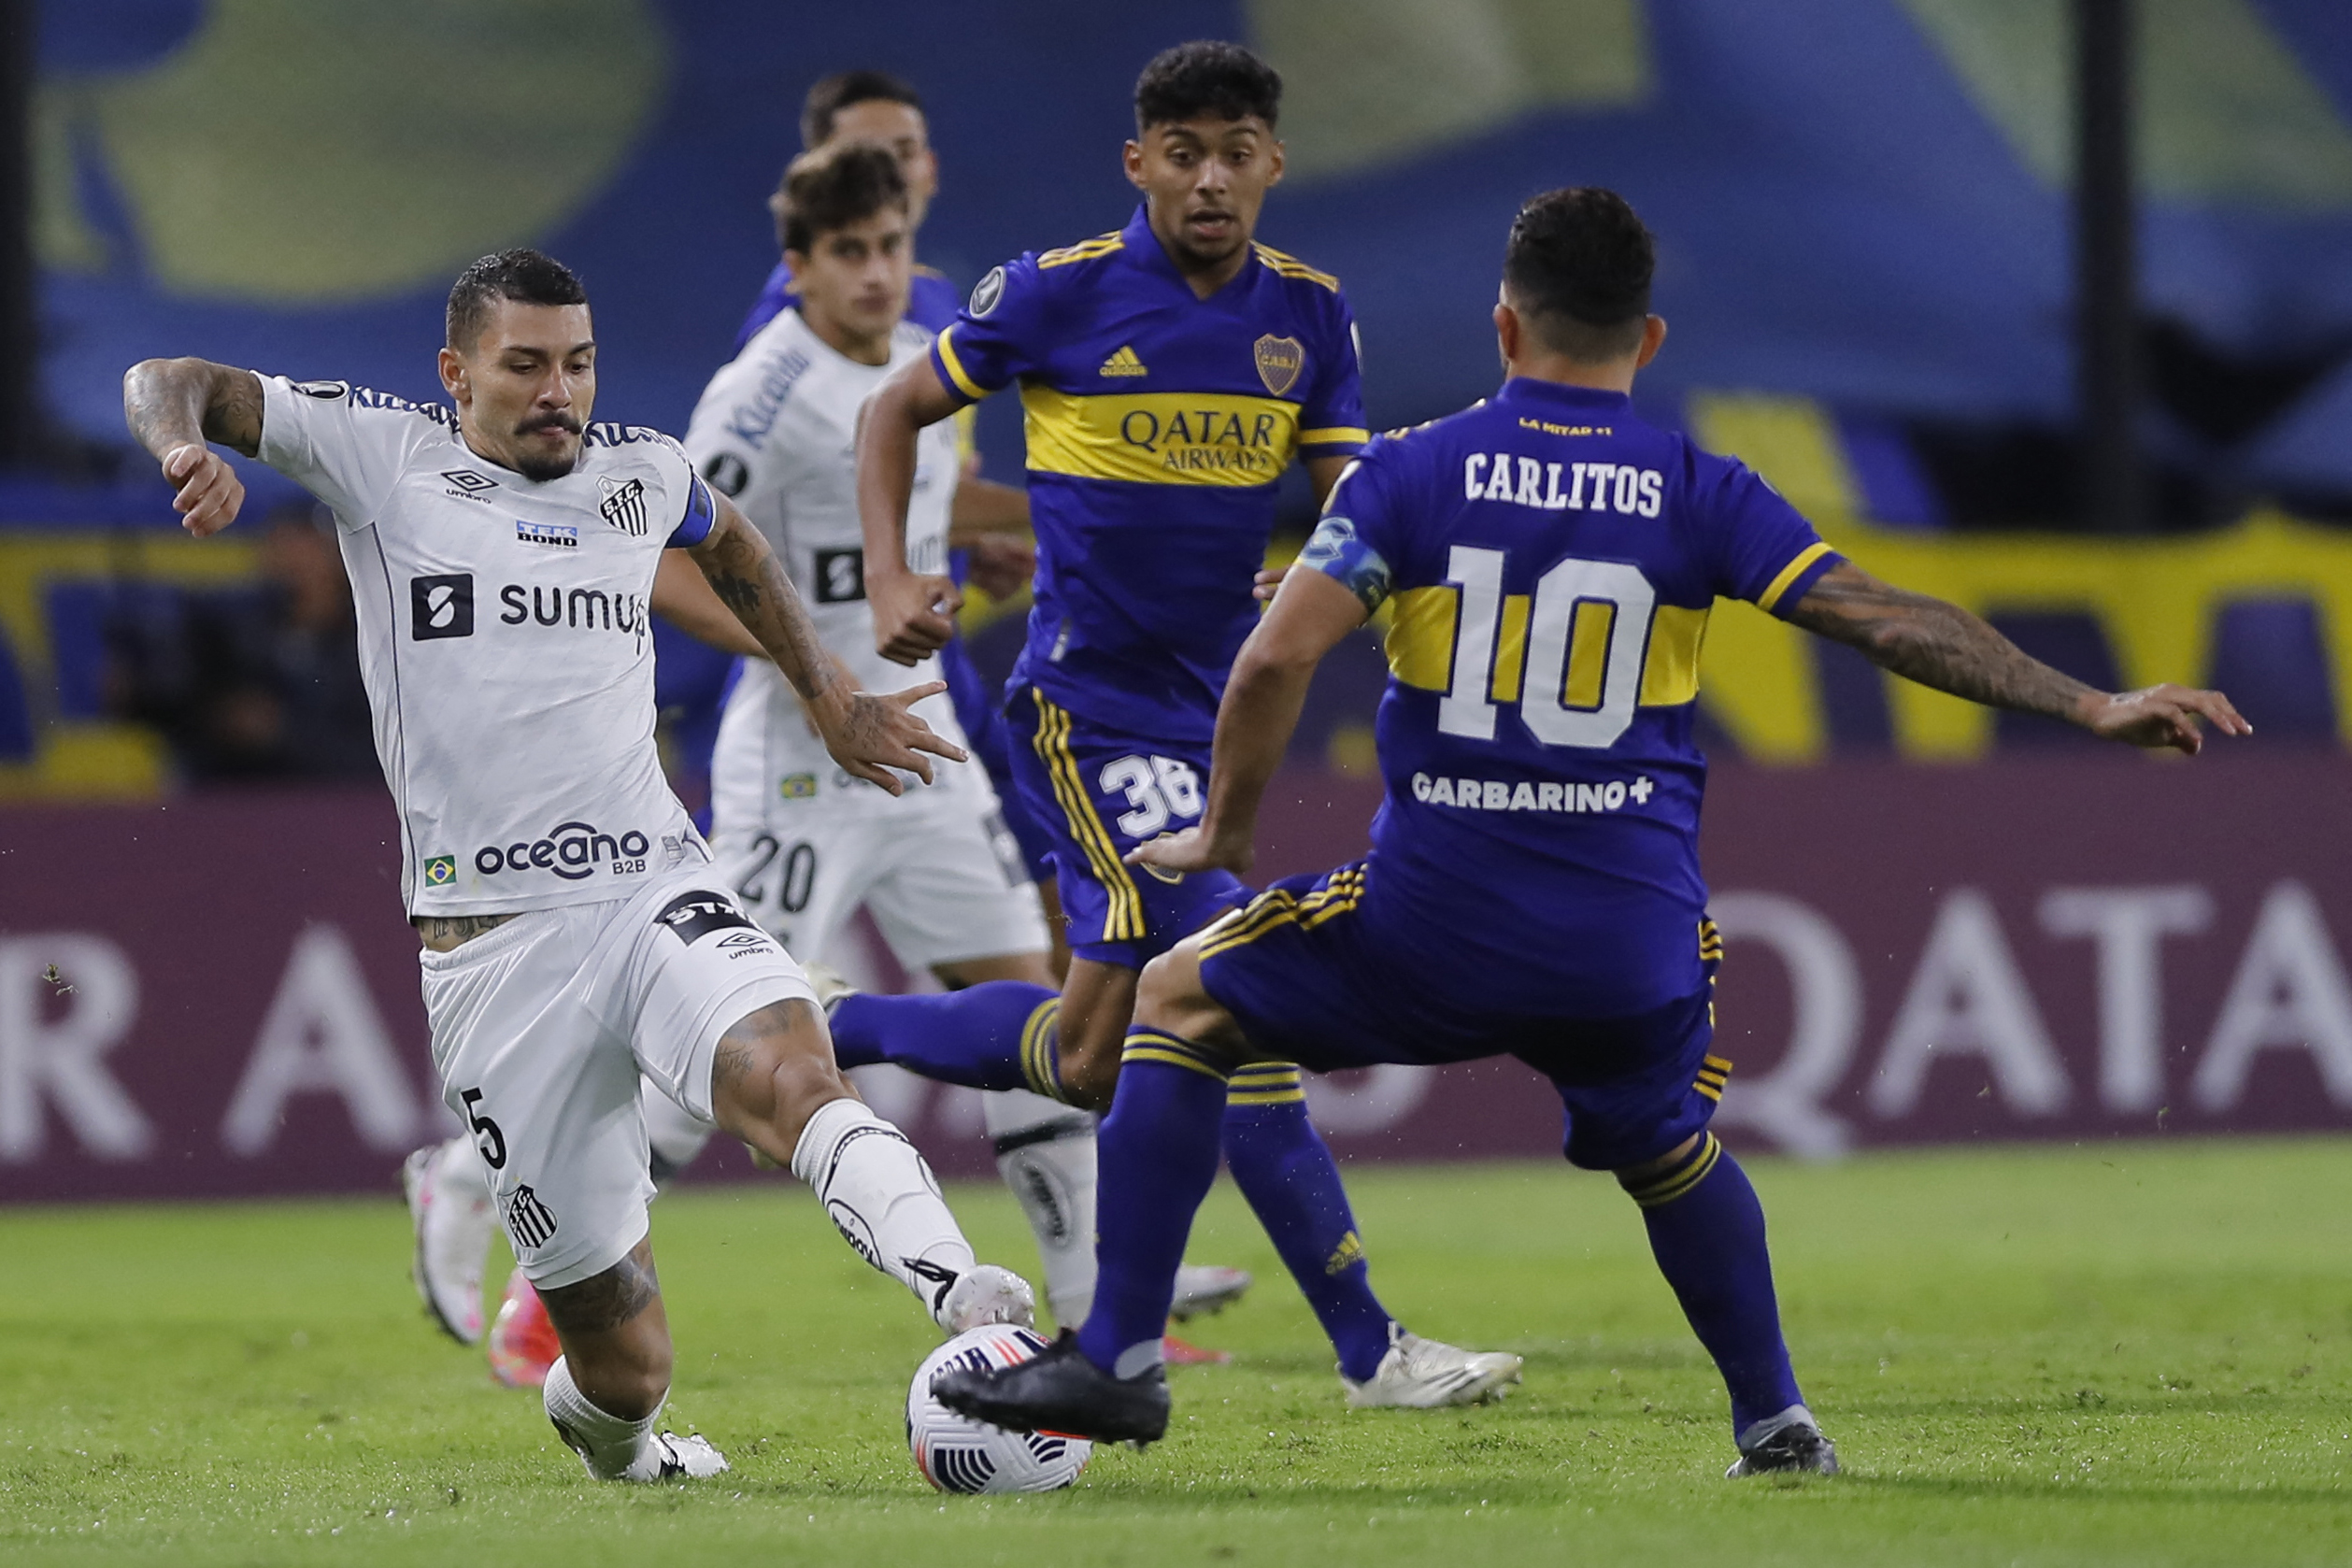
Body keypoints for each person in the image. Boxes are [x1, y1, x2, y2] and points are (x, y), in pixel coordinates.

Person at [929, 186, 2253, 1470]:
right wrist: (2090, 701)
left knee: (1179, 994)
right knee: (1667, 1146)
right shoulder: (1699, 486)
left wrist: (1227, 830)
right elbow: (1886, 620)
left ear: (1504, 325)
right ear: (1649, 338)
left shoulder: (1411, 471)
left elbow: (1275, 658)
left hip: (1430, 927)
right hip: (1629, 942)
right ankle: (1775, 1420)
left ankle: (1118, 1358)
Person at [121, 248, 1036, 1483]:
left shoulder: (639, 473)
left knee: (788, 1070)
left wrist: (827, 694)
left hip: (649, 885)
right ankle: (620, 1440)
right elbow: (165, 374)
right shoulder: (378, 456)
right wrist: (184, 446)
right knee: (623, 1365)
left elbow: (734, 541)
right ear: (457, 374)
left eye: (579, 362)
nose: (560, 391)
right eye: (526, 365)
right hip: (492, 953)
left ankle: (966, 1298)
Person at [401, 79, 1247, 1386]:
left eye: (890, 245)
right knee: (721, 1050)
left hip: (920, 745)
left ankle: (1092, 1323)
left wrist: (1006, 537)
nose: (875, 272)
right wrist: (809, 667)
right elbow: (660, 552)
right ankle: (521, 1266)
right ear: (798, 266)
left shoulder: (928, 349)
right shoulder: (760, 390)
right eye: (848, 251)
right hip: (799, 760)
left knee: (1042, 1011)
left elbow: (927, 494)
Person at [839, 39, 1521, 1407]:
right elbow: (893, 408)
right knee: (1230, 988)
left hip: (1209, 721)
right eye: (1185, 153)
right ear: (1139, 162)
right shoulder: (1057, 292)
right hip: (1086, 712)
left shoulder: (1308, 315)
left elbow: (1347, 493)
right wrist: (892, 575)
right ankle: (1366, 1348)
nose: (1211, 179)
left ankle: (828, 1021)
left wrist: (1326, 562)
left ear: (1273, 164)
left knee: (1090, 1052)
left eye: (1236, 154)